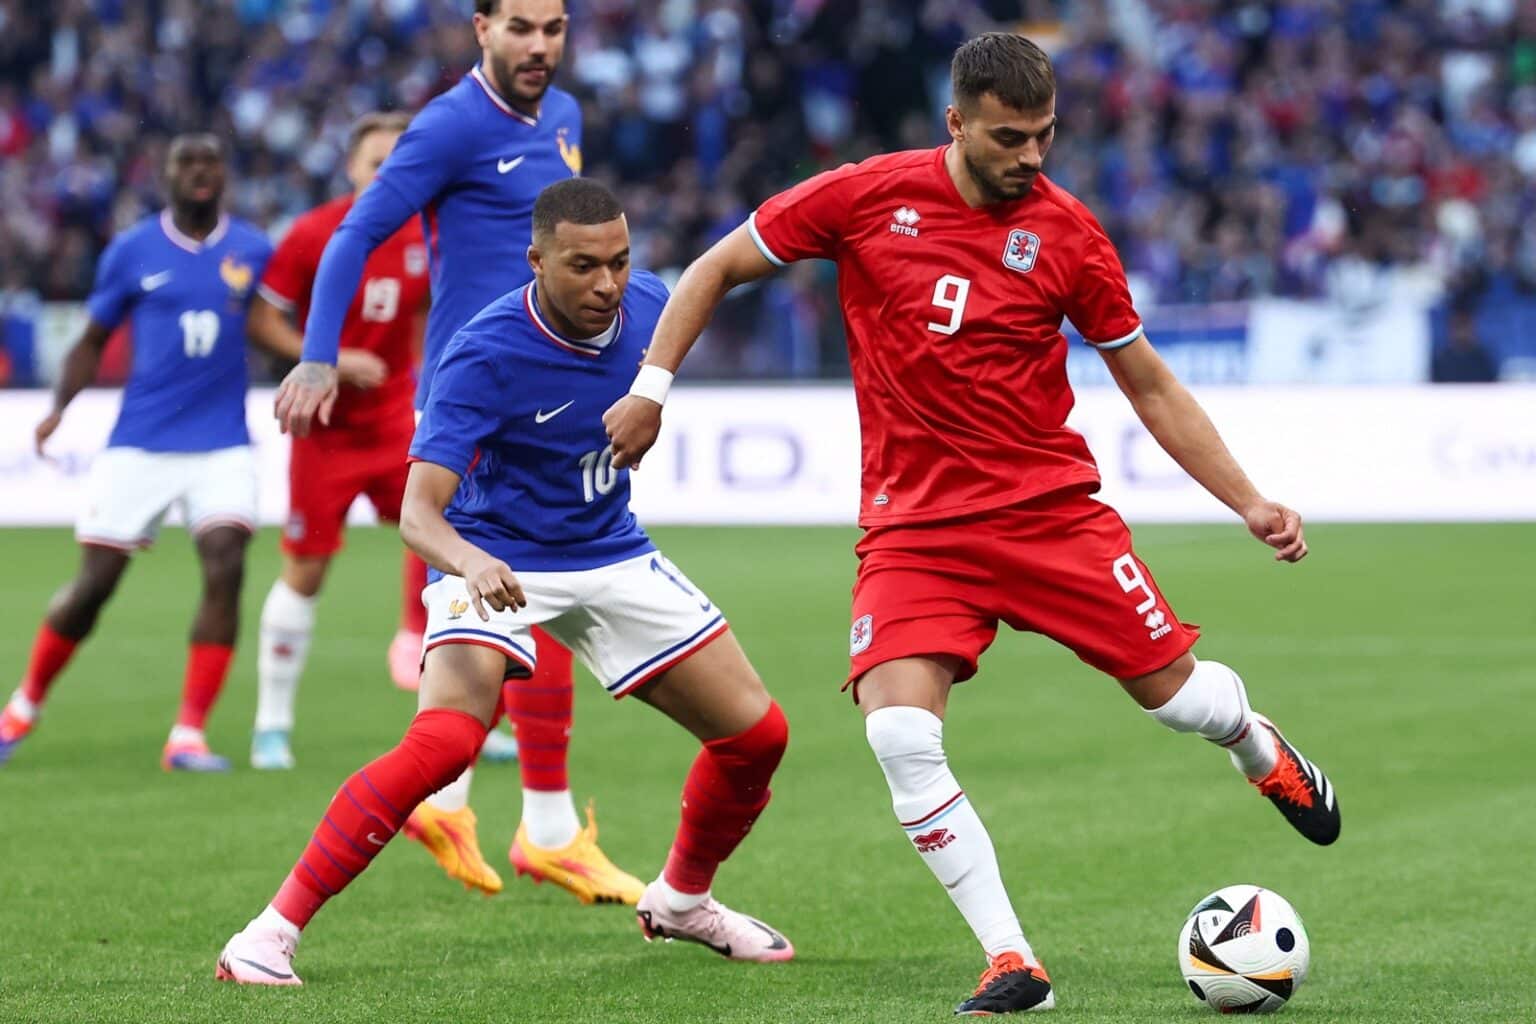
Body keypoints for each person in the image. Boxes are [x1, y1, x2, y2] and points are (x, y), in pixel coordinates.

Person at [603, 32, 1342, 1016]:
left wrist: (1247, 499)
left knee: (1182, 704)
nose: (1031, 157)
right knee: (900, 731)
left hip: (1050, 520)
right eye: (1009, 138)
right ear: (956, 123)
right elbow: (710, 270)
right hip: (916, 535)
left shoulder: (1070, 235)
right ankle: (1012, 961)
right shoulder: (864, 196)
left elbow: (1151, 384)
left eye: (1042, 136)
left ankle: (1257, 745)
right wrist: (653, 388)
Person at [217, 179, 794, 985]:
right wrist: (470, 561)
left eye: (621, 263)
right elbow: (419, 515)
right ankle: (268, 933)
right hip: (494, 554)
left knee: (757, 737)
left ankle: (682, 901)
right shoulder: (485, 353)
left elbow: (706, 286)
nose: (608, 285)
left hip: (609, 549)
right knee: (448, 741)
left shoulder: (653, 304)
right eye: (584, 266)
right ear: (537, 261)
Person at [270, 0, 638, 902]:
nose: (539, 45)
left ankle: (511, 816)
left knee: (537, 592)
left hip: (550, 398)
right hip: (476, 405)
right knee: (528, 584)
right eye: (520, 27)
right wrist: (318, 353)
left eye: (553, 28)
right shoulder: (449, 126)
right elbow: (356, 231)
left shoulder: (564, 118)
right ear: (481, 29)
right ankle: (513, 818)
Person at [0, 135, 273, 772]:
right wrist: (59, 407)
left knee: (226, 562)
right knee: (94, 586)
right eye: (187, 164)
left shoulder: (255, 249)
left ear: (224, 175)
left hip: (223, 441)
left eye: (212, 163)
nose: (201, 173)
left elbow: (276, 325)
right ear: (165, 175)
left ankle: (188, 735)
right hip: (140, 443)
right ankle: (23, 705)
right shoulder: (132, 251)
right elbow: (93, 338)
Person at [244, 111, 434, 772]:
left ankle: (454, 712)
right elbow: (263, 320)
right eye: (374, 163)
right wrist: (327, 356)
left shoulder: (424, 233)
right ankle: (271, 726)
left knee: (446, 536)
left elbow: (427, 315)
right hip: (323, 434)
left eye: (396, 162)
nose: (385, 174)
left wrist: (421, 389)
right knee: (306, 570)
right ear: (352, 169)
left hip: (392, 425)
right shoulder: (313, 234)